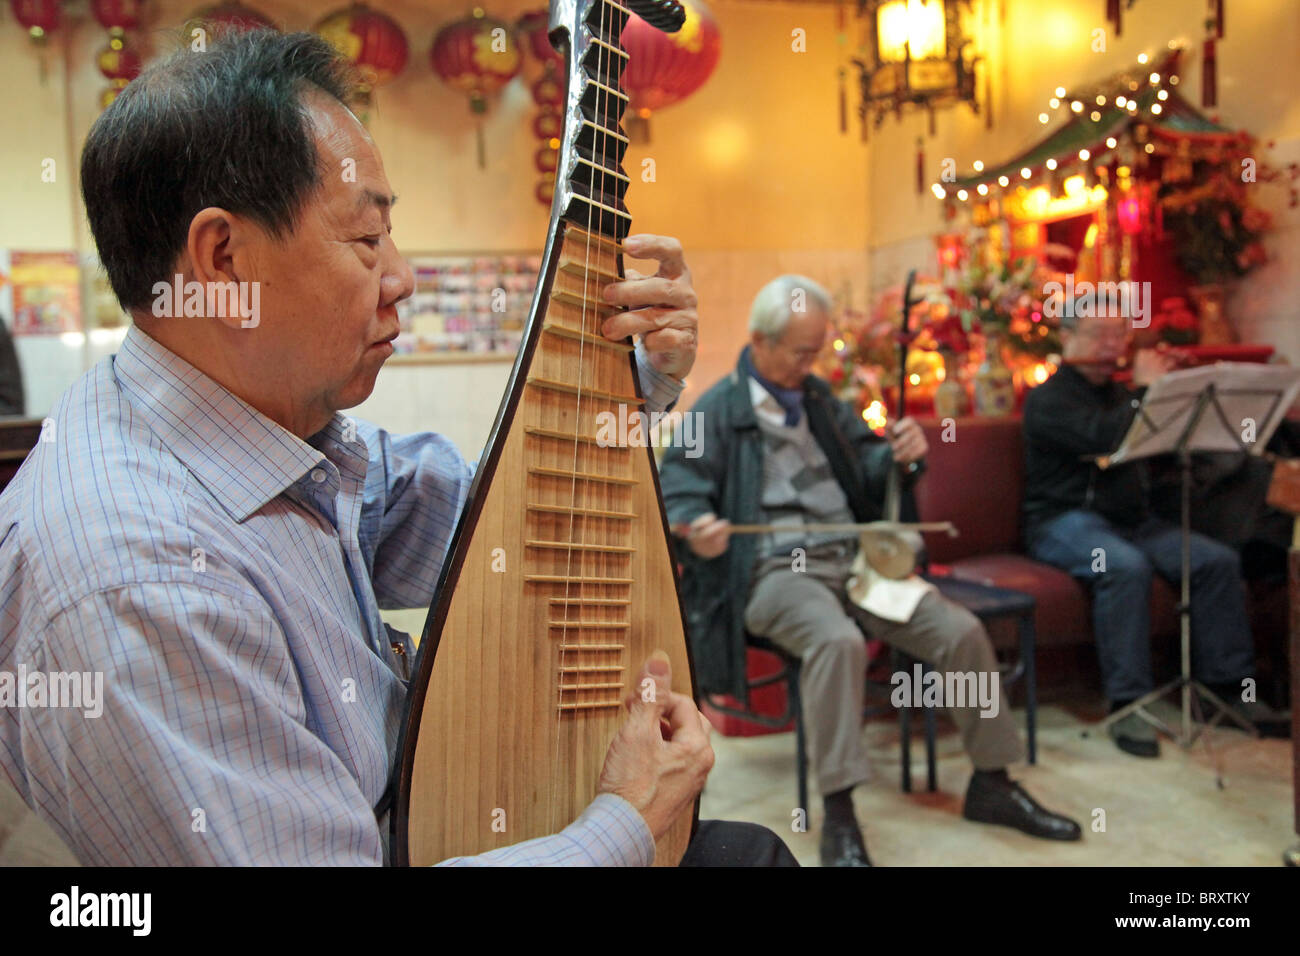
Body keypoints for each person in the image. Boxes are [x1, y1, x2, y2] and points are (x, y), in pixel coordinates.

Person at [0, 30, 795, 867]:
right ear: (223, 259)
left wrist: (638, 378)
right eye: (367, 240)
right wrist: (624, 822)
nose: (403, 277)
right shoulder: (136, 580)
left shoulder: (271, 427)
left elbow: (514, 526)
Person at [659, 275, 1081, 867]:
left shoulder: (821, 402)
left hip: (856, 562)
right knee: (836, 641)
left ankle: (993, 781)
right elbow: (678, 490)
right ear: (761, 340)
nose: (811, 364)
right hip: (775, 572)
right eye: (802, 351)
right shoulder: (719, 411)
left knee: (959, 631)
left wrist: (900, 453)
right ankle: (840, 813)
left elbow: (869, 463)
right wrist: (696, 525)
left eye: (817, 351)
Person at [1023, 308, 1280, 757]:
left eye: (1118, 334)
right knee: (1124, 567)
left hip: (1134, 521)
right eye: (1099, 334)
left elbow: (1164, 446)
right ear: (1066, 337)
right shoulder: (1048, 399)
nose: (1111, 345)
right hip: (1064, 521)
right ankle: (1130, 704)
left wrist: (1182, 394)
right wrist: (1146, 390)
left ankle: (1228, 688)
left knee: (1215, 561)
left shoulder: (1121, 394)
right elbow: (1108, 440)